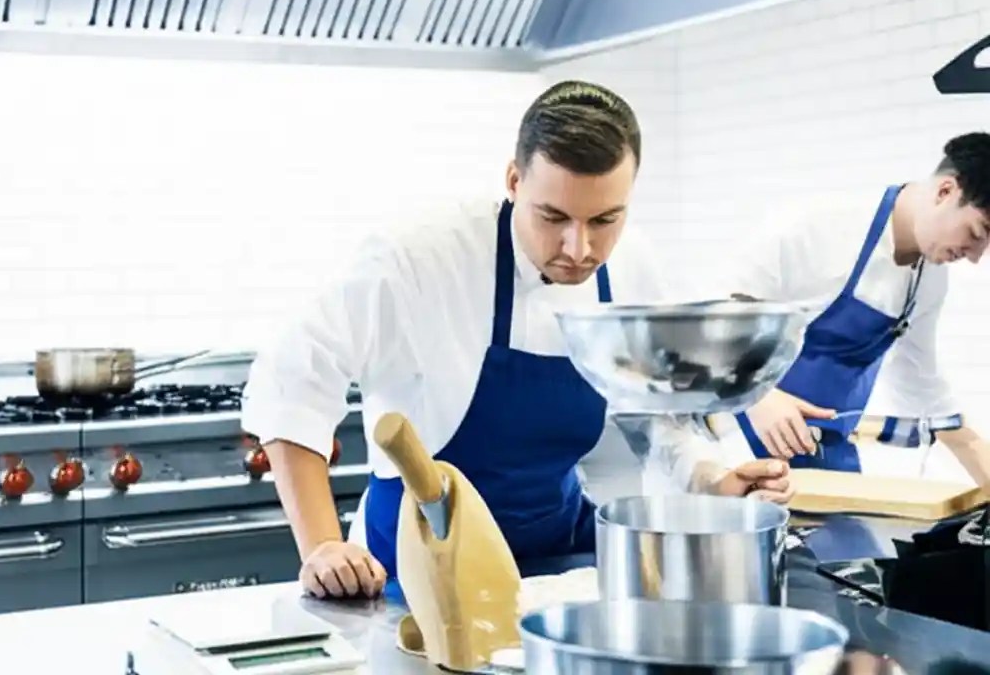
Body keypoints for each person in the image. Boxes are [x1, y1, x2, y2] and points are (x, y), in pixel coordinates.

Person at [239, 80, 793, 602]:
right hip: (420, 571)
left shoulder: (633, 268)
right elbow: (293, 377)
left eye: (605, 219)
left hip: (558, 563)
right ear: (513, 180)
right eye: (553, 216)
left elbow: (652, 419)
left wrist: (712, 480)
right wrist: (322, 546)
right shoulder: (418, 257)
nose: (579, 247)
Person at [707, 132, 990, 488]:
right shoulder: (817, 227)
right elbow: (716, 321)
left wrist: (977, 455)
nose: (977, 255)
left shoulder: (930, 278)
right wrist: (757, 396)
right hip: (739, 441)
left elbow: (919, 380)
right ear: (945, 192)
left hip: (823, 450)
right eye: (979, 231)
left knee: (856, 543)